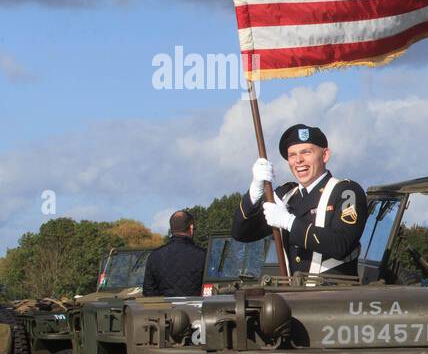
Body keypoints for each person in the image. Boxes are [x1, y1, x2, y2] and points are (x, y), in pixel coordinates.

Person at [231, 124, 368, 278]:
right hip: (294, 296)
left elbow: (341, 244)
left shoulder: (346, 192)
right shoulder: (286, 195)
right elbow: (241, 233)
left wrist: (289, 222)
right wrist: (255, 191)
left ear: (325, 155)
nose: (299, 161)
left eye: (306, 152)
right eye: (292, 155)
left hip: (333, 295)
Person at [143, 211, 205, 297]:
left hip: (164, 309)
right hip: (196, 308)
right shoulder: (204, 255)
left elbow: (149, 292)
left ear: (171, 229)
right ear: (191, 228)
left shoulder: (154, 256)